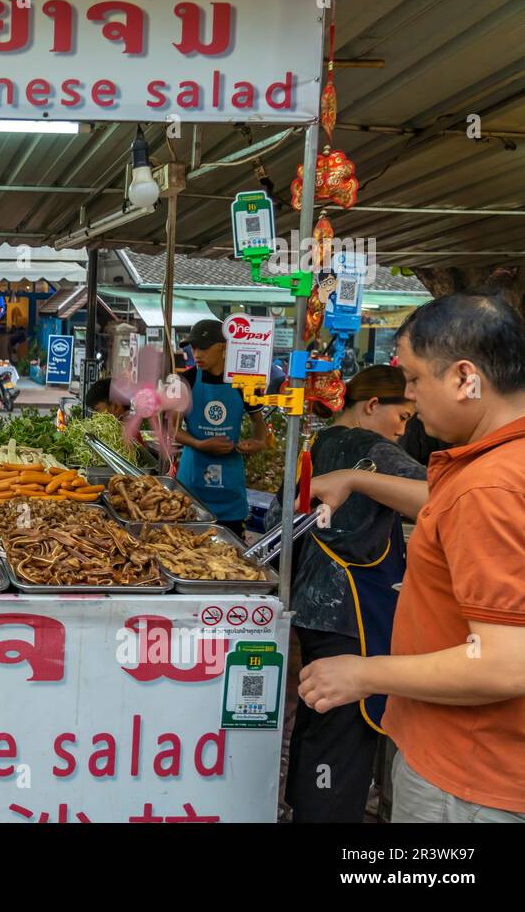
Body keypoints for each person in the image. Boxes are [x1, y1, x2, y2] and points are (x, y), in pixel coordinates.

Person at [301, 291, 525, 822]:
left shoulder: (490, 485)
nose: (410, 395)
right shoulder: (498, 464)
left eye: (417, 379)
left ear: (464, 377)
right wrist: (356, 477)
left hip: (468, 779)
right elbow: (447, 503)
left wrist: (366, 673)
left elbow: (503, 663)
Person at [285, 366, 425, 823]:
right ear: (371, 407)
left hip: (312, 603)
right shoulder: (374, 450)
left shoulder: (323, 440)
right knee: (346, 728)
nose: (403, 429)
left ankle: (305, 805)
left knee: (317, 715)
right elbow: (439, 499)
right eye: (402, 417)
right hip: (353, 613)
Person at [174, 320, 268, 537]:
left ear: (224, 347)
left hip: (230, 490)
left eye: (204, 348)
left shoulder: (245, 382)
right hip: (191, 486)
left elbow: (258, 424)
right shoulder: (184, 381)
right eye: (194, 347)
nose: (196, 353)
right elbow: (172, 428)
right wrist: (199, 443)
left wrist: (257, 442)